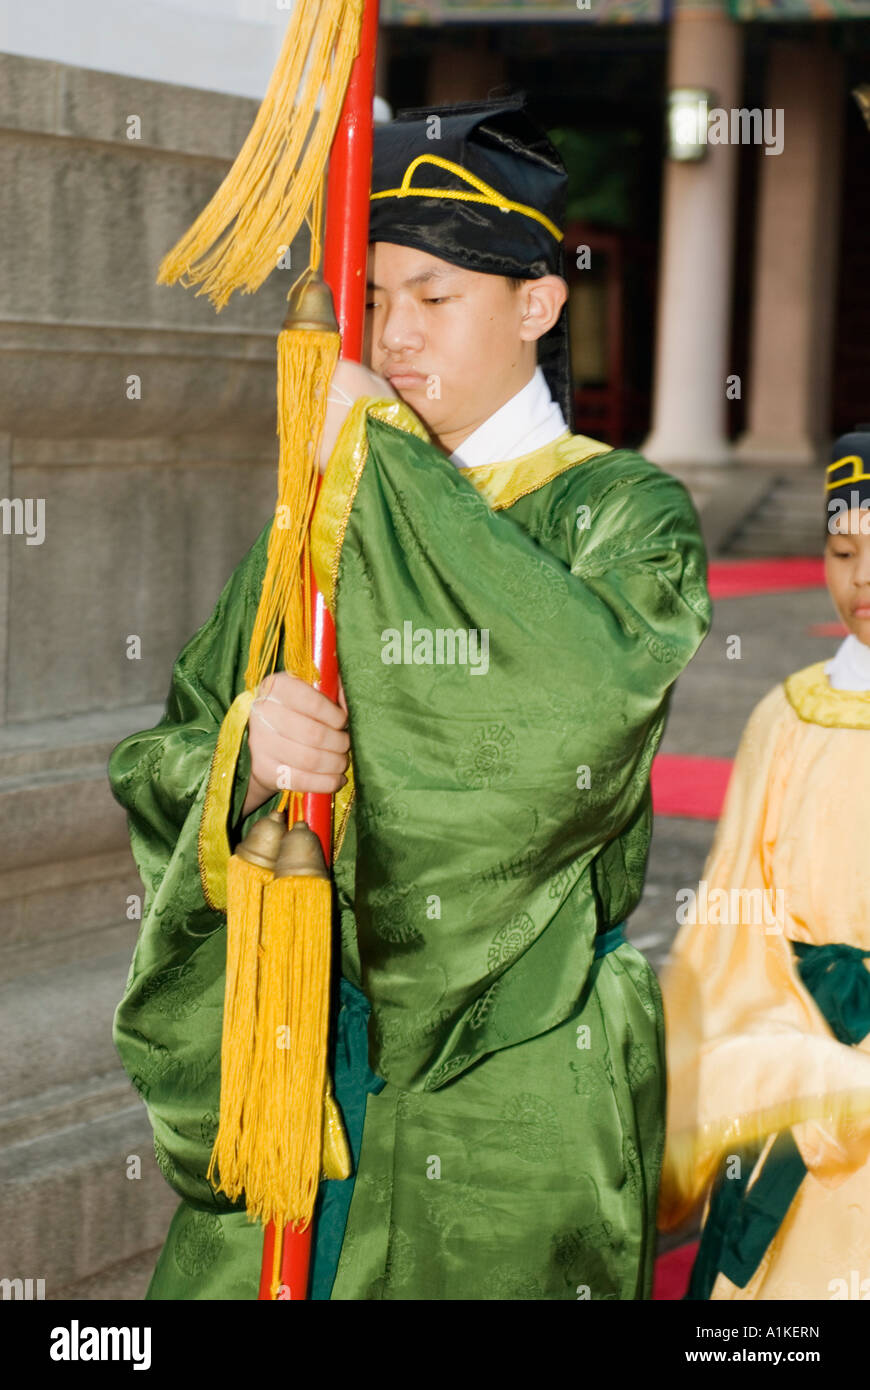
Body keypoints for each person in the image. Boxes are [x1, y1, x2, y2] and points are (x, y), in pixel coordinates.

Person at [109, 95, 712, 1300]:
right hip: (302, 1050)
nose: (393, 336)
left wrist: (375, 463)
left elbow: (568, 718)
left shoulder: (623, 512)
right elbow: (167, 746)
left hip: (516, 1076)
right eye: (375, 299)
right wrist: (246, 755)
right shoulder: (332, 495)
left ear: (539, 305)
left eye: (435, 299)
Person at [659, 426, 870, 1301]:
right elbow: (729, 930)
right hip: (796, 1079)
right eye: (842, 551)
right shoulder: (787, 719)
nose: (862, 580)